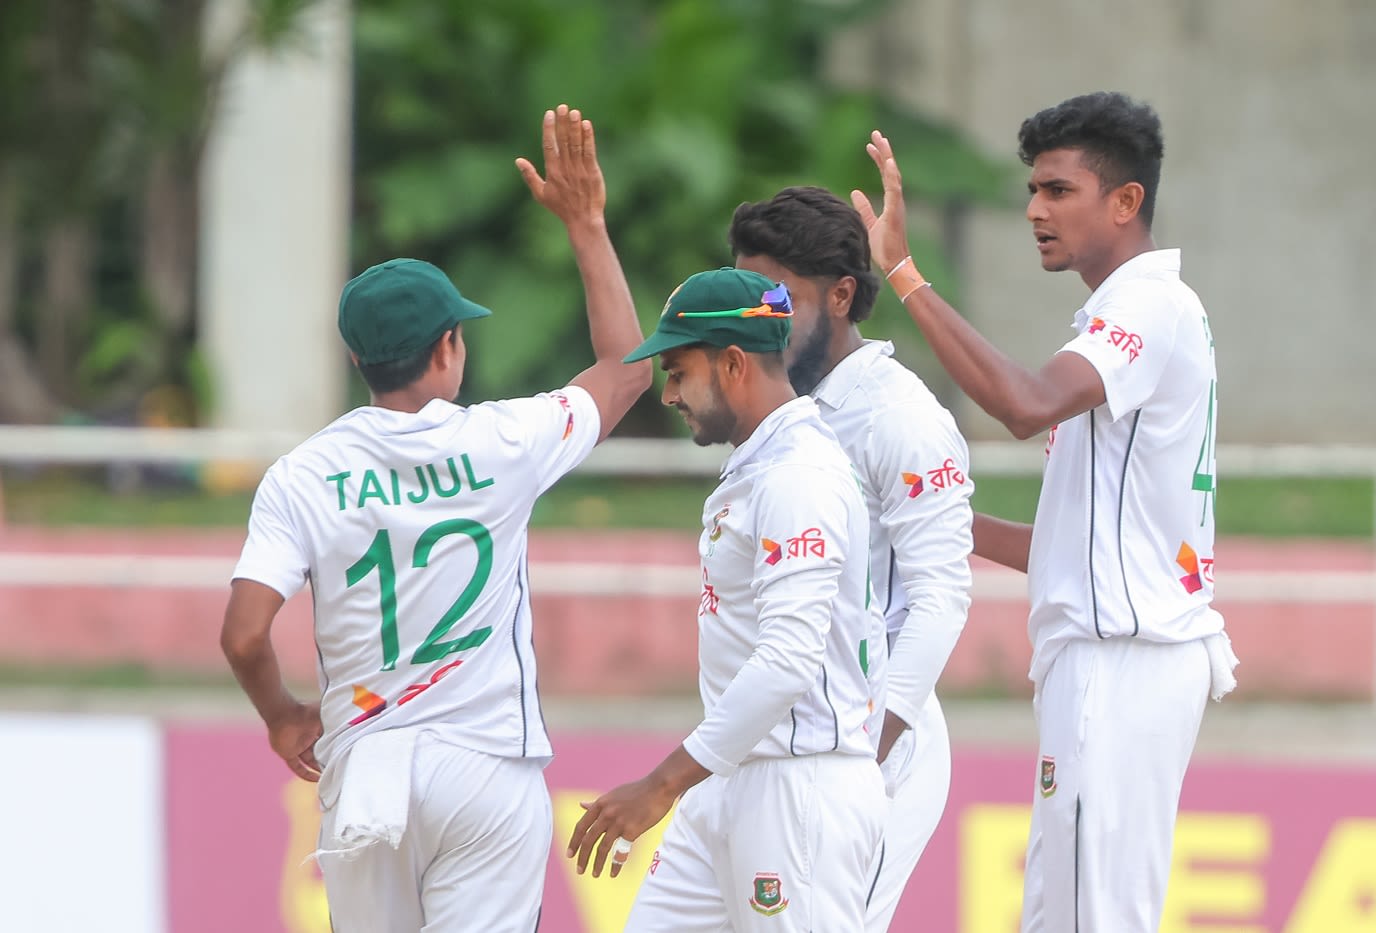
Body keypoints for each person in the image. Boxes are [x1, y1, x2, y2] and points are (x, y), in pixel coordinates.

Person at [218, 105, 650, 933]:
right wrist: (587, 224)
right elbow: (624, 370)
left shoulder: (301, 474)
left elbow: (242, 635)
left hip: (368, 768)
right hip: (488, 767)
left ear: (358, 360)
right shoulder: (505, 441)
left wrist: (282, 715)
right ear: (449, 346)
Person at [851, 91, 1239, 931]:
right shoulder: (1125, 311)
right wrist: (927, 518)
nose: (1035, 209)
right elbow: (1080, 542)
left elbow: (1025, 405)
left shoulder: (1146, 303)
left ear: (1125, 201)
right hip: (1112, 663)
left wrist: (903, 272)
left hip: (1123, 664)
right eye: (1033, 190)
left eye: (1059, 190)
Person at [566, 267, 888, 932]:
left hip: (799, 788)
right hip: (731, 777)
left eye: (679, 370)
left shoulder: (798, 475)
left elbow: (787, 660)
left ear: (734, 363)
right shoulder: (763, 466)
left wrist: (660, 783)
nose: (669, 392)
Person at [728, 186, 973, 932]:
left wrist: (863, 750)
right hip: (779, 739)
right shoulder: (770, 408)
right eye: (749, 298)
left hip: (873, 743)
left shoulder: (900, 415)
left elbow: (940, 598)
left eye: (779, 299)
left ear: (840, 294)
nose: (760, 320)